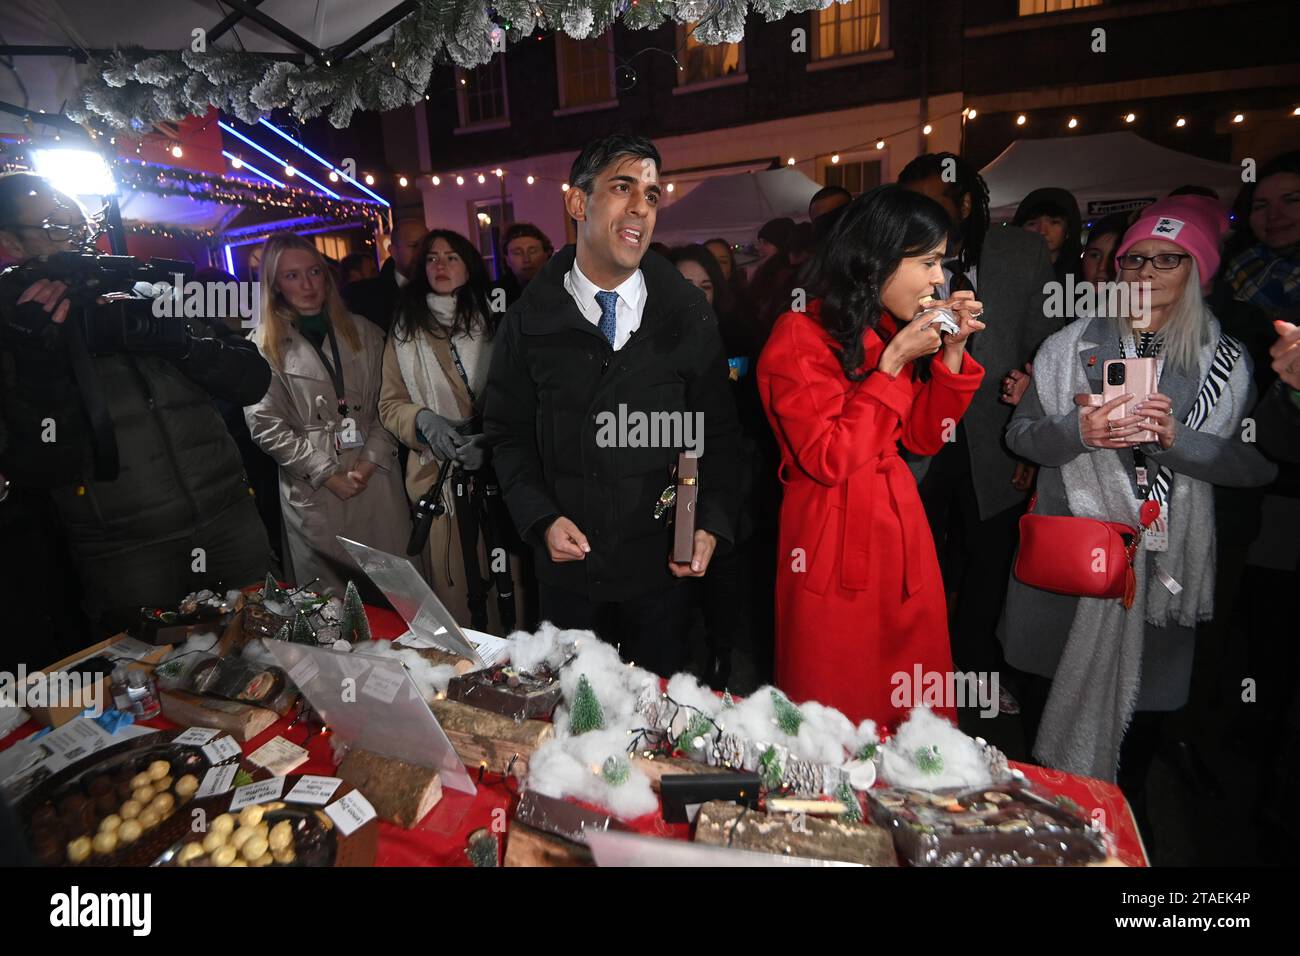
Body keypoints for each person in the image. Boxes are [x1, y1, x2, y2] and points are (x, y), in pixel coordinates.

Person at [999, 197, 1276, 812]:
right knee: (1044, 741)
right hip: (1070, 569)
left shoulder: (1225, 364)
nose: (1146, 273)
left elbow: (1256, 465)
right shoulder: (1067, 345)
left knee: (1138, 741)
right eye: (1134, 260)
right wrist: (1078, 431)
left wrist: (1181, 442)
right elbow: (1018, 436)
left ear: (1198, 271)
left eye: (1168, 259)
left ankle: (1119, 841)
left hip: (1160, 579)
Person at [484, 133, 741, 675]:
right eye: (623, 187)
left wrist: (708, 521)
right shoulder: (527, 322)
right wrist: (541, 518)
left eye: (651, 195)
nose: (640, 208)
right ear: (578, 202)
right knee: (575, 724)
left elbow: (716, 433)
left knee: (658, 726)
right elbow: (507, 434)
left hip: (661, 577)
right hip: (568, 578)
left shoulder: (687, 315)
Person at [0, 172, 274, 635]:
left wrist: (183, 343)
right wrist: (38, 361)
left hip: (230, 517)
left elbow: (252, 380)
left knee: (270, 653)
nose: (75, 235)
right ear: (11, 242)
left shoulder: (145, 285)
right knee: (152, 686)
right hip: (128, 553)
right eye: (53, 225)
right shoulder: (16, 325)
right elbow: (39, 465)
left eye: (78, 221)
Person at [757, 185, 987, 728]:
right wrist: (893, 364)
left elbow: (926, 439)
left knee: (913, 704)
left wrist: (950, 356)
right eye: (929, 261)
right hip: (830, 543)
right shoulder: (799, 335)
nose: (940, 279)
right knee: (834, 703)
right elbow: (830, 458)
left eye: (943, 264)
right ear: (877, 256)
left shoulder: (880, 330)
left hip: (901, 535)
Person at [897, 153, 1059, 717]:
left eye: (934, 202)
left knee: (991, 563)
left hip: (997, 439)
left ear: (965, 204)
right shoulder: (898, 254)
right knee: (917, 563)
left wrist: (1031, 439)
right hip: (915, 435)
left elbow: (1045, 349)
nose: (921, 214)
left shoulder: (1023, 252)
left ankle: (974, 684)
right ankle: (916, 682)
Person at [245, 233, 407, 599]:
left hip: (374, 476)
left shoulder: (365, 331)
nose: (307, 284)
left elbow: (390, 404)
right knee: (332, 603)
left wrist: (369, 462)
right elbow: (266, 426)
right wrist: (327, 473)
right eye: (292, 276)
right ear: (274, 284)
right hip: (315, 485)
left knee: (395, 592)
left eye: (315, 271)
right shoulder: (262, 344)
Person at [379, 229, 525, 634]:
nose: (440, 266)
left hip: (499, 479)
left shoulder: (500, 320)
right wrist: (424, 422)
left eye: (451, 257)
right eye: (431, 258)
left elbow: (525, 400)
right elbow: (389, 404)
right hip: (438, 482)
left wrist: (490, 442)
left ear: (470, 264)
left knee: (507, 587)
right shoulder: (405, 329)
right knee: (456, 592)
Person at [671, 244, 777, 687]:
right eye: (684, 285)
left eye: (706, 286)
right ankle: (674, 657)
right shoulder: (638, 340)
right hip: (664, 469)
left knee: (722, 560)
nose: (695, 295)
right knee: (674, 562)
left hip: (721, 466)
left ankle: (721, 653)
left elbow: (753, 406)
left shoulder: (738, 336)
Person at [343, 219, 428, 335]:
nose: (421, 253)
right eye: (413, 246)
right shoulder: (363, 296)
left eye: (426, 246)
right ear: (393, 251)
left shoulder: (443, 289)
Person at [1013, 186, 1083, 286]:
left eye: (1054, 222)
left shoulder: (1084, 276)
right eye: (1032, 223)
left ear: (1068, 229)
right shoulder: (1008, 274)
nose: (1042, 231)